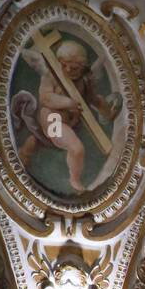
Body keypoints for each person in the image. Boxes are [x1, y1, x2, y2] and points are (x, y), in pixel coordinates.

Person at [13, 38, 122, 194]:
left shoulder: (84, 81)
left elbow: (93, 99)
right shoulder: (51, 76)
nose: (69, 70)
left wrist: (107, 110)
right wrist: (67, 102)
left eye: (75, 68)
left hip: (68, 124)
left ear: (83, 68)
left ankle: (24, 154)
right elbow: (46, 98)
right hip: (52, 120)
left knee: (38, 141)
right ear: (59, 62)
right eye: (65, 66)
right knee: (76, 148)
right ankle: (75, 181)